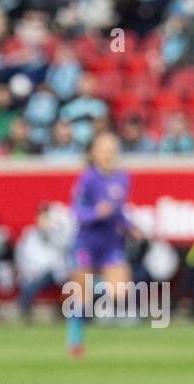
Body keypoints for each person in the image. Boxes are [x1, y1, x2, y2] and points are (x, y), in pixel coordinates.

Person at [67, 130, 130, 356]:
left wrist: (131, 227)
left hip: (110, 241)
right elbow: (76, 211)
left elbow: (118, 210)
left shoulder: (123, 178)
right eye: (104, 149)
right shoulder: (87, 178)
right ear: (94, 153)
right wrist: (96, 213)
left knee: (120, 292)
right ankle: (75, 341)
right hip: (87, 240)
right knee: (80, 296)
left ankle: (94, 287)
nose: (109, 154)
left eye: (112, 149)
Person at [14, 202, 71, 321]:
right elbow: (22, 255)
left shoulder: (60, 233)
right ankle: (23, 312)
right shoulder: (29, 233)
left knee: (74, 284)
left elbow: (65, 248)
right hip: (34, 272)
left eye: (47, 217)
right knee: (30, 284)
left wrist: (53, 230)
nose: (44, 220)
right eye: (42, 217)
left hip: (57, 272)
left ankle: (70, 312)